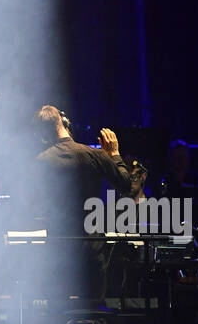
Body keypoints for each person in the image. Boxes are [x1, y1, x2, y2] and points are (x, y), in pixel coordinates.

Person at [32, 105, 133, 301]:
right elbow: (126, 185)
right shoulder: (93, 155)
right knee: (94, 312)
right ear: (63, 123)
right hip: (91, 252)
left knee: (60, 316)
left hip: (58, 254)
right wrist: (114, 154)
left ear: (42, 135)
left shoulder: (40, 162)